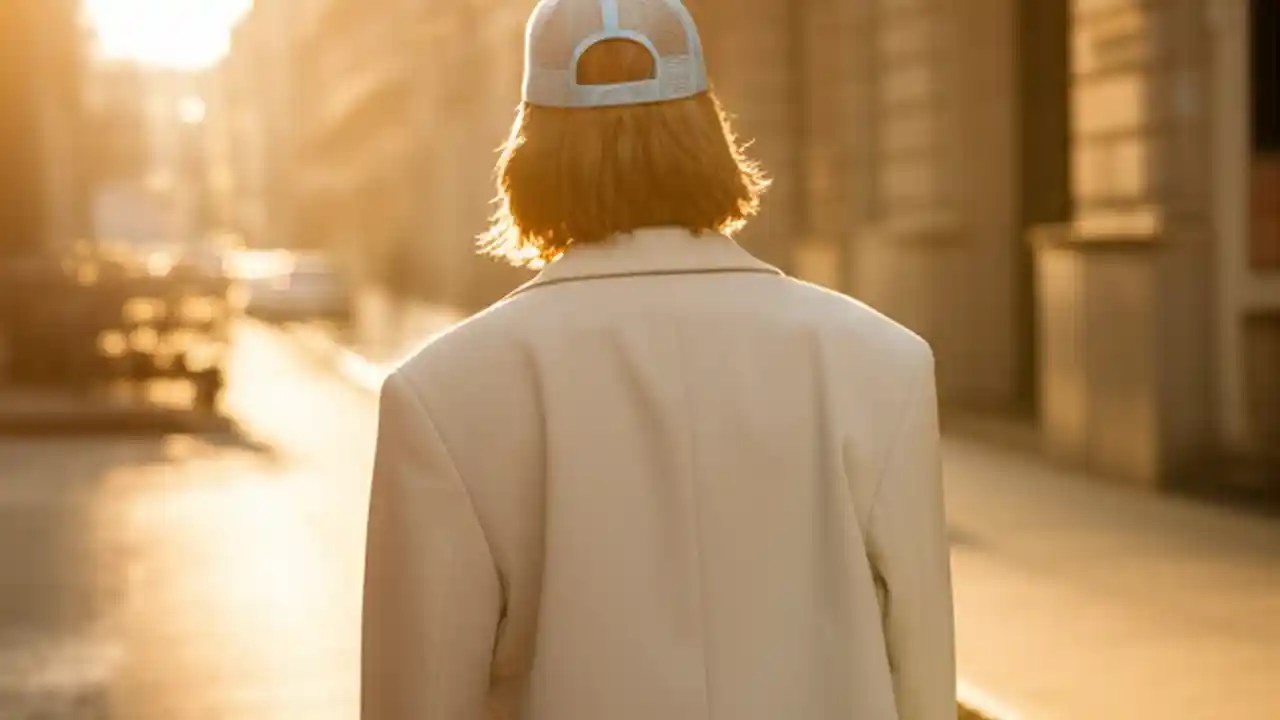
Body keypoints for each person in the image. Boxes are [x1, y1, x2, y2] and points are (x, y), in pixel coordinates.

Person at [361, 1, 955, 718]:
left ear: (529, 150)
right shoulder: (883, 365)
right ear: (708, 130)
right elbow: (922, 683)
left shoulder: (439, 396)